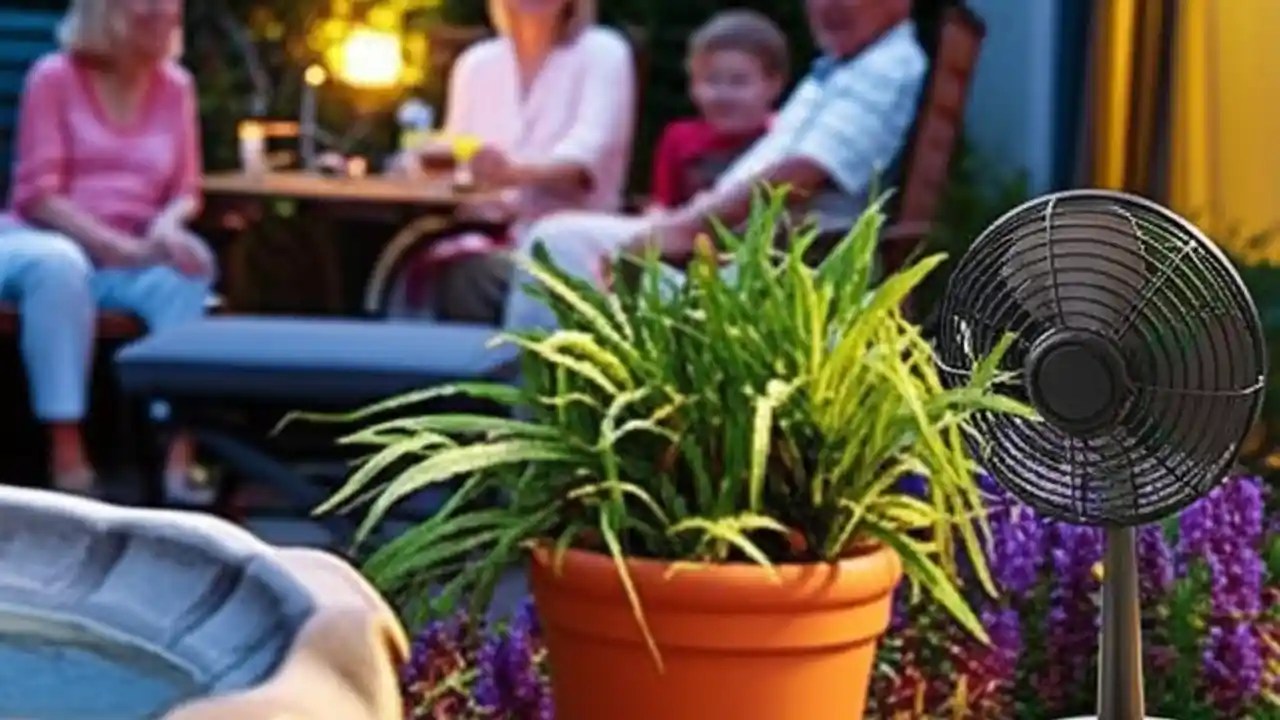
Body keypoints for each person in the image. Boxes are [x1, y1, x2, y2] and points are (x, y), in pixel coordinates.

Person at [459, 0, 928, 337]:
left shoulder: (884, 69)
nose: (828, 7)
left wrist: (682, 229)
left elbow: (801, 172)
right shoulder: (844, 66)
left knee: (553, 247)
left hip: (759, 272)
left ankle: (534, 446)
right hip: (724, 246)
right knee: (555, 241)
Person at [0, 0, 214, 502]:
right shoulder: (52, 78)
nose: (164, 21)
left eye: (172, 16)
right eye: (149, 14)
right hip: (40, 239)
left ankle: (177, 451)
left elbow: (187, 189)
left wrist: (166, 229)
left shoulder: (176, 86)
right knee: (60, 267)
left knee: (188, 266)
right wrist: (114, 246)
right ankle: (66, 448)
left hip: (136, 247)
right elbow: (38, 194)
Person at [386, 0, 636, 321]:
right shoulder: (477, 64)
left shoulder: (603, 52)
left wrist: (510, 173)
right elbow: (455, 151)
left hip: (566, 245)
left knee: (466, 275)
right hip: (478, 232)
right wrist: (415, 161)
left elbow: (583, 161)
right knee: (410, 261)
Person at [648, 10, 788, 211]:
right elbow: (662, 207)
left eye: (739, 81)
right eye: (711, 80)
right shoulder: (679, 139)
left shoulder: (780, 138)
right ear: (693, 85)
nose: (724, 95)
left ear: (774, 85)